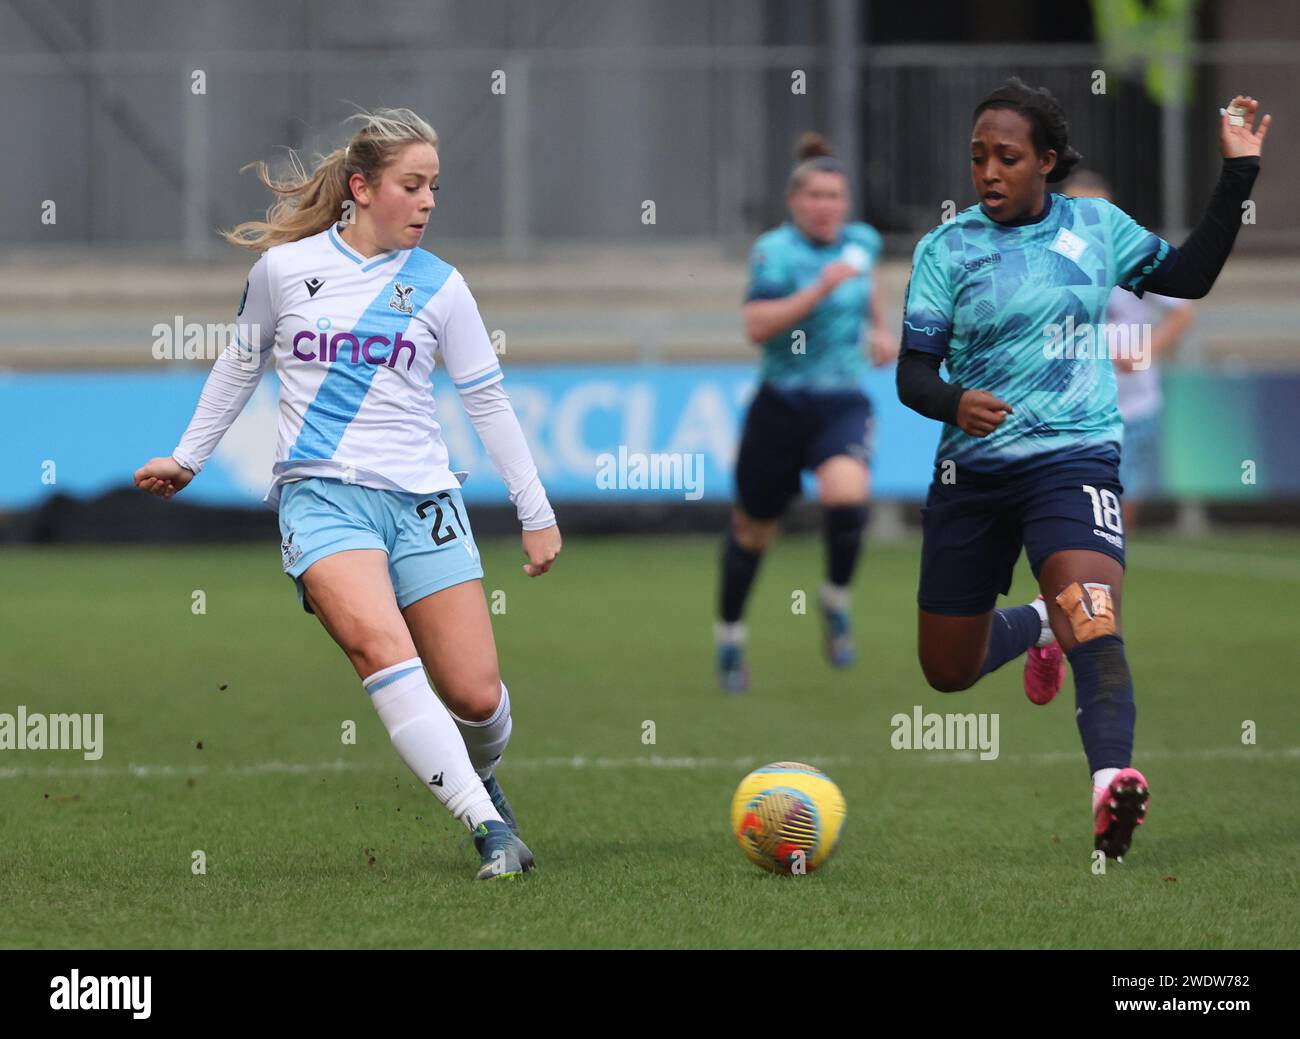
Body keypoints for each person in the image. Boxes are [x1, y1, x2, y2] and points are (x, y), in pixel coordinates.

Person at [133, 109, 562, 881]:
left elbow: (487, 399)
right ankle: (489, 831)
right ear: (361, 188)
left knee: (476, 695)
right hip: (322, 500)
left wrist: (535, 511)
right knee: (379, 649)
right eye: (412, 185)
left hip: (424, 501)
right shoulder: (285, 271)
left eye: (435, 186)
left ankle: (482, 776)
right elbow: (240, 364)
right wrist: (188, 457)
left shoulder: (442, 286)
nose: (428, 201)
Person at [896, 79, 1266, 859]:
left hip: (1074, 456)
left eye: (1007, 158)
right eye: (978, 157)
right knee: (946, 669)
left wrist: (1238, 173)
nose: (988, 172)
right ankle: (1036, 624)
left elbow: (1189, 277)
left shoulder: (1096, 228)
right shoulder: (946, 249)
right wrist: (955, 402)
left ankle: (1111, 782)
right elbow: (913, 375)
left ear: (1048, 162)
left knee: (1093, 609)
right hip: (973, 474)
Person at [716, 133, 897, 693]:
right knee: (754, 531)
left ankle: (835, 600)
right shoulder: (776, 251)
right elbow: (756, 326)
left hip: (840, 400)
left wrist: (880, 328)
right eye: (815, 195)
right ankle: (731, 637)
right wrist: (819, 290)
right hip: (781, 406)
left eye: (835, 196)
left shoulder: (861, 242)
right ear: (795, 201)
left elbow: (864, 289)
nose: (826, 206)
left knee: (847, 492)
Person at [1067, 171, 1196, 529]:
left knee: (1121, 497)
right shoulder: (1053, 264)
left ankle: (1109, 573)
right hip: (1076, 406)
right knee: (1075, 499)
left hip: (1132, 404)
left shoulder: (1137, 258)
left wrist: (1144, 352)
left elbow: (1183, 312)